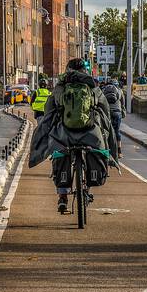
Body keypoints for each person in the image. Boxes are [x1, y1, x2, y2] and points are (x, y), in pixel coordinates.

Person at [28, 59, 116, 214]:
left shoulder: (61, 86)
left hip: (65, 133)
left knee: (59, 155)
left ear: (67, 69)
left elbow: (49, 110)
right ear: (85, 70)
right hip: (90, 133)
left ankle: (62, 196)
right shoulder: (92, 85)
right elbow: (104, 109)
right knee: (95, 151)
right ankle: (87, 188)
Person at [100, 77, 125, 155]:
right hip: (117, 113)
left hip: (107, 113)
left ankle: (107, 150)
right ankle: (119, 151)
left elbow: (101, 102)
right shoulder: (120, 91)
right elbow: (123, 103)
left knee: (106, 131)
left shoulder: (103, 90)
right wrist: (122, 112)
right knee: (117, 131)